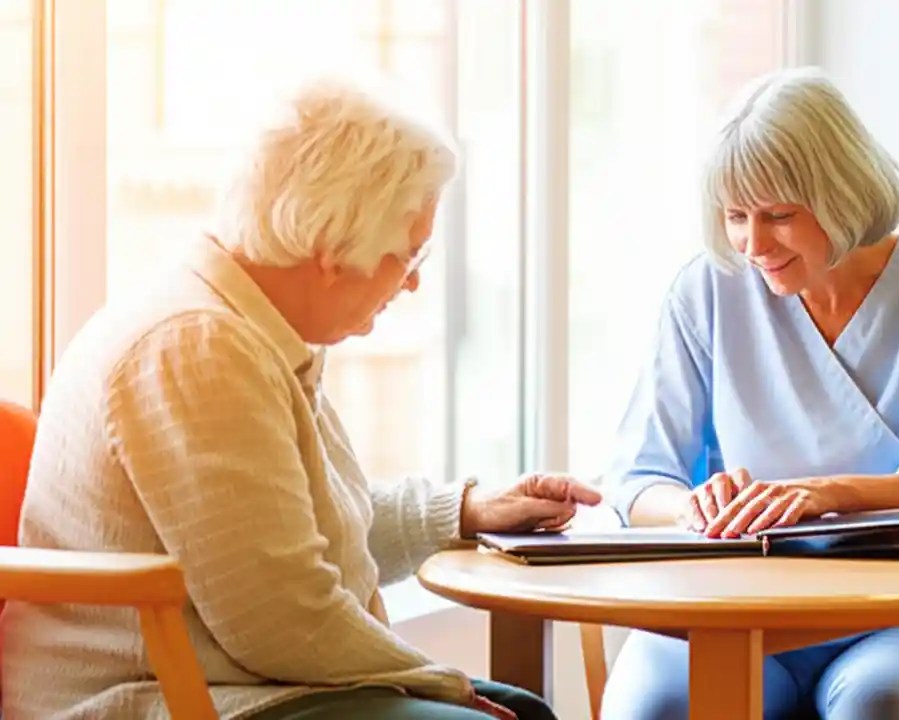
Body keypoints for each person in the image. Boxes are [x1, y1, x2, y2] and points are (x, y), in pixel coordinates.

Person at [1, 80, 599, 720]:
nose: (414, 281)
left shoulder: (247, 328)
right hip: (145, 697)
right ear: (334, 249)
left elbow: (301, 534)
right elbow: (279, 615)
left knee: (523, 712)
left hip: (234, 681)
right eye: (409, 254)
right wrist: (439, 680)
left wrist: (467, 511)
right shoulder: (199, 347)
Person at [600, 67, 899, 719]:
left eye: (779, 216)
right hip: (735, 602)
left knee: (884, 702)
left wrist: (827, 495)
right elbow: (639, 476)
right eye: (735, 217)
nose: (753, 245)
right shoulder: (707, 291)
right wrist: (693, 507)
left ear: (842, 194)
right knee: (660, 704)